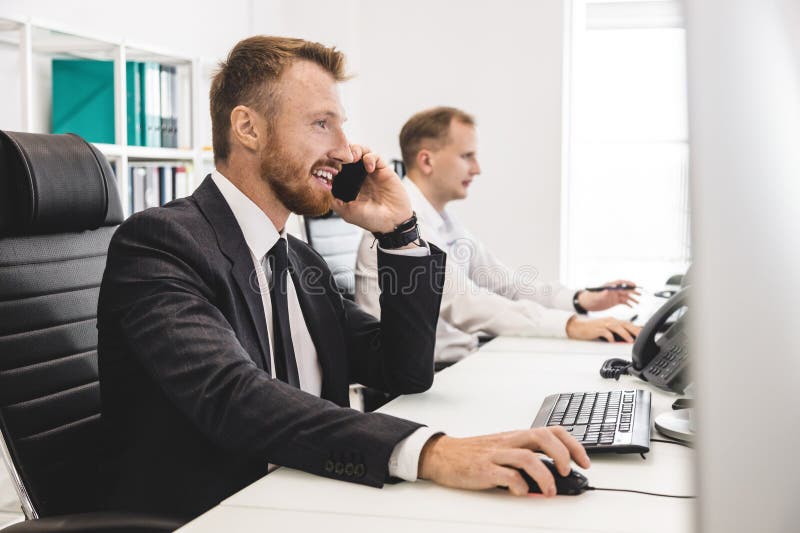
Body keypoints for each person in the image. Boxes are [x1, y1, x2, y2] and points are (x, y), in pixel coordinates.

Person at [97, 37, 589, 520]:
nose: (344, 149)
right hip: (215, 514)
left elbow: (404, 371)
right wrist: (430, 452)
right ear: (248, 128)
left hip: (313, 495)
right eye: (321, 124)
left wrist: (400, 234)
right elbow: (232, 395)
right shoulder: (161, 243)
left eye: (341, 126)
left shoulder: (298, 260)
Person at [356, 107, 641, 363]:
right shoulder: (400, 224)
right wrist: (570, 325)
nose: (477, 169)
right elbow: (465, 304)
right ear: (427, 161)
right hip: (418, 380)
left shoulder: (443, 220)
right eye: (467, 156)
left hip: (455, 364)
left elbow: (507, 285)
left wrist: (578, 300)